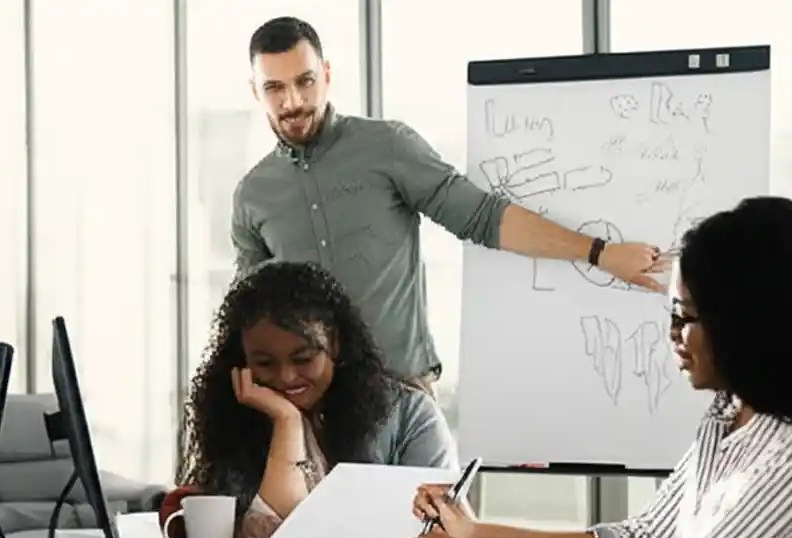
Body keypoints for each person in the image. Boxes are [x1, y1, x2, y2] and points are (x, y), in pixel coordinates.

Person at [393, 196, 792, 538]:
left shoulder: (783, 458)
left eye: (686, 315)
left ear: (746, 321)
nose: (671, 332)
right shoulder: (729, 416)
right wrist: (477, 535)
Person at [50, 261, 457, 538]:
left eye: (304, 358)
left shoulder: (408, 415)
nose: (285, 378)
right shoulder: (235, 418)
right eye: (265, 364)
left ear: (337, 345)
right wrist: (285, 423)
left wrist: (285, 422)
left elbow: (437, 531)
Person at [233, 17, 669, 393]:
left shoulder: (386, 146)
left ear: (326, 74)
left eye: (305, 81)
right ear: (256, 91)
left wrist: (600, 253)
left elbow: (482, 216)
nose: (292, 101)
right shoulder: (253, 196)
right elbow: (249, 316)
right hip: (308, 415)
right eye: (275, 88)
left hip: (400, 401)